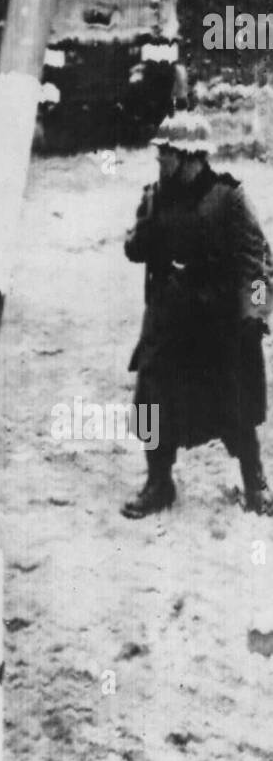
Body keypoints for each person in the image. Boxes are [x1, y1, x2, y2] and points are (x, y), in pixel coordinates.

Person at [122, 112, 273, 518]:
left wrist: (255, 312)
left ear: (189, 156)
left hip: (217, 321)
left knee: (234, 403)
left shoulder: (228, 197)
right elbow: (134, 250)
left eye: (166, 154)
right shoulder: (156, 195)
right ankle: (158, 482)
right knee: (152, 401)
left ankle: (254, 482)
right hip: (167, 320)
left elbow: (258, 260)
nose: (159, 161)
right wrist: (142, 227)